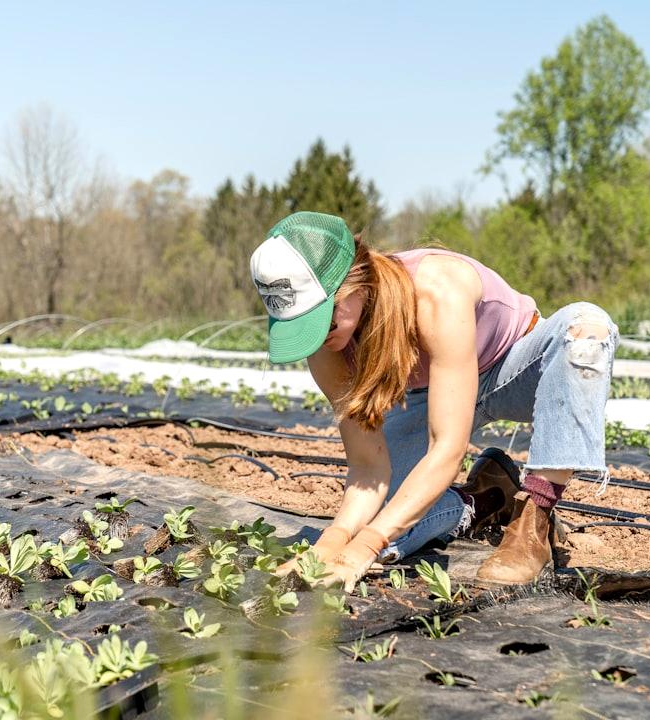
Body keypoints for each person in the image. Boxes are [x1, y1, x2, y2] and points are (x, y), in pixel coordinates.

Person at [250, 211, 618, 590]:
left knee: (585, 330)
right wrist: (333, 542)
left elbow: (447, 449)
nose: (318, 336)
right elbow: (368, 468)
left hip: (515, 369)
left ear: (355, 282)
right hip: (434, 393)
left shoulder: (435, 290)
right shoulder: (327, 347)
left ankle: (535, 518)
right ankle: (483, 499)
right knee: (387, 519)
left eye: (322, 319)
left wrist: (365, 546)